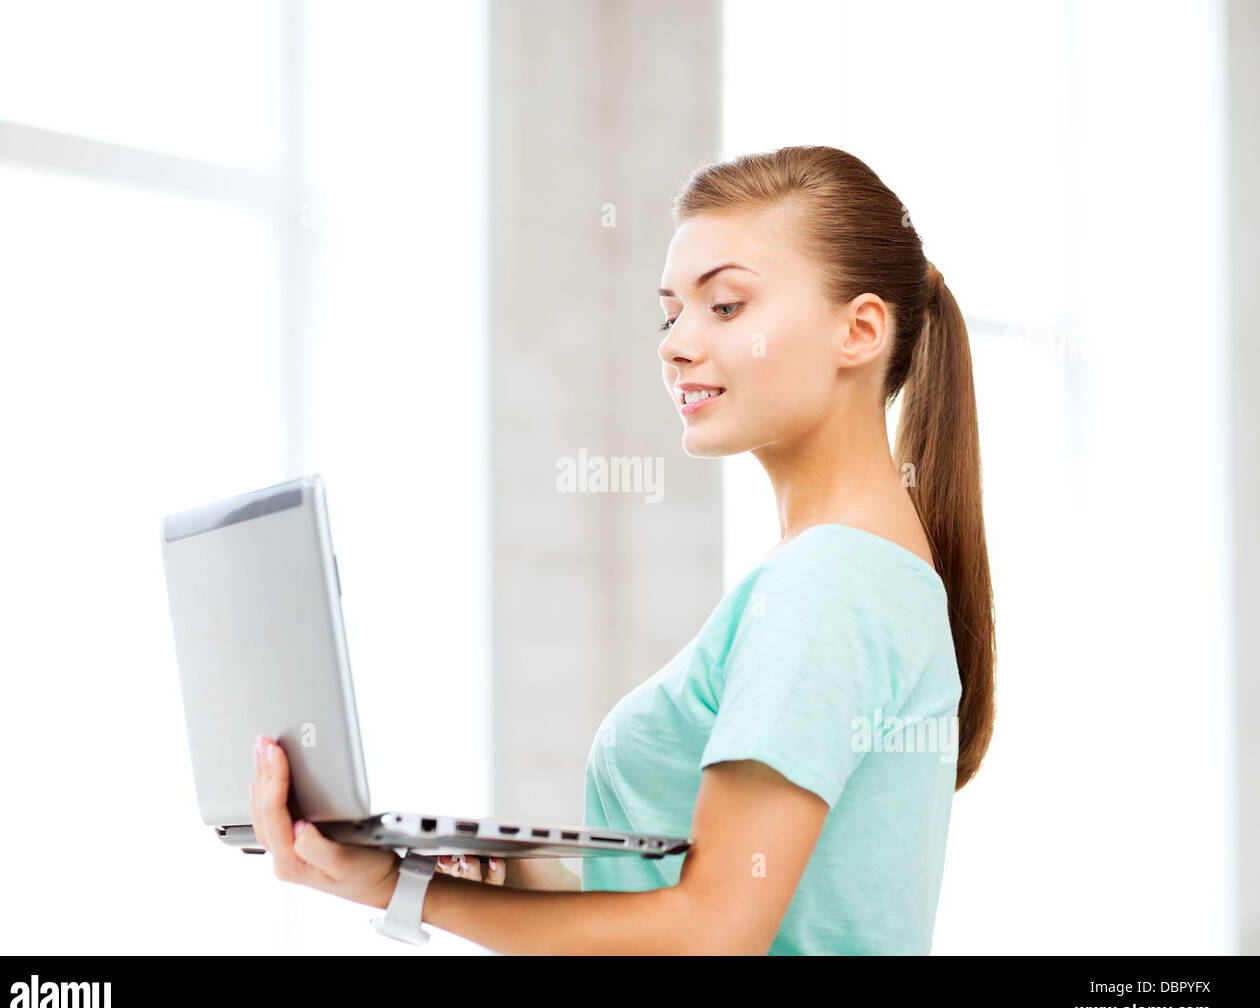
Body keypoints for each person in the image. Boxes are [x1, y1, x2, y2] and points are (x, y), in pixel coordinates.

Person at [249, 144, 996, 955]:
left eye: (726, 306)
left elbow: (709, 933)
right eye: (670, 311)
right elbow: (720, 917)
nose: (675, 343)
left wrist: (402, 885)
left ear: (858, 330)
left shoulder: (832, 582)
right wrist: (506, 881)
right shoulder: (865, 572)